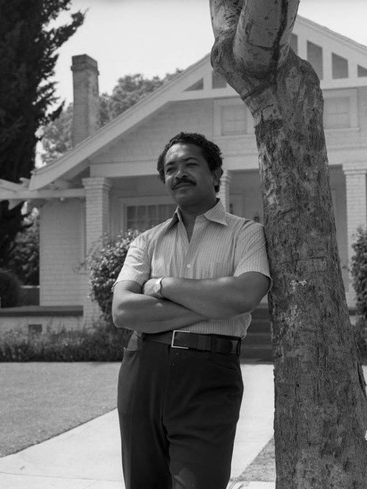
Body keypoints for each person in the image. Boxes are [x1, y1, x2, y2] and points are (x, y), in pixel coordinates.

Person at [112, 132, 271, 489]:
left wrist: (164, 286)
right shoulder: (146, 241)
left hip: (210, 376)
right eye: (170, 169)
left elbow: (245, 294)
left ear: (216, 174)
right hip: (144, 372)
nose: (178, 173)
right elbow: (122, 311)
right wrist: (213, 303)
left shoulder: (246, 234)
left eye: (189, 164)